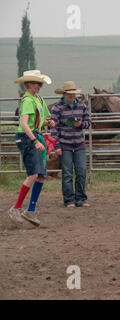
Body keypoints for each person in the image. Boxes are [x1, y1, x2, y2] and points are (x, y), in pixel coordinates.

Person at [8, 70, 55, 227]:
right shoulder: (27, 100)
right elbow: (24, 124)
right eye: (37, 83)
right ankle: (16, 208)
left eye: (40, 83)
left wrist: (48, 123)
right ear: (29, 84)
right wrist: (35, 140)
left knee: (41, 175)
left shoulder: (38, 99)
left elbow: (39, 121)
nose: (39, 86)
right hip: (27, 138)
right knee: (34, 174)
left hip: (33, 136)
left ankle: (31, 210)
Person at [50, 81, 91, 208]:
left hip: (79, 143)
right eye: (69, 94)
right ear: (64, 94)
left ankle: (81, 199)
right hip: (65, 144)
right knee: (67, 173)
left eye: (73, 93)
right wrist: (56, 146)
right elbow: (54, 129)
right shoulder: (57, 108)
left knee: (81, 171)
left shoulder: (82, 106)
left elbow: (88, 122)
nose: (72, 96)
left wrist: (81, 125)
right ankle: (69, 200)